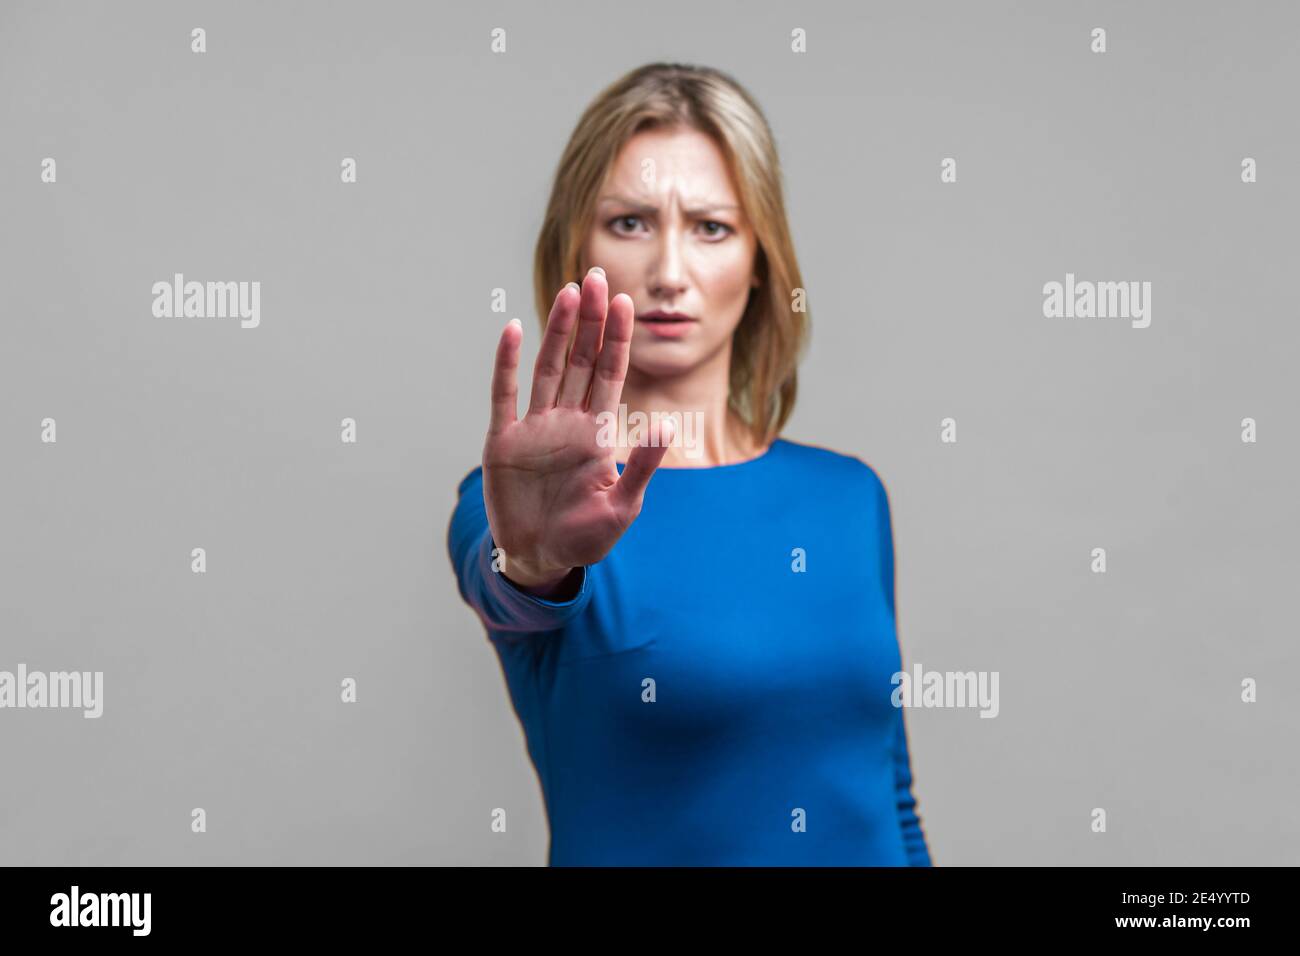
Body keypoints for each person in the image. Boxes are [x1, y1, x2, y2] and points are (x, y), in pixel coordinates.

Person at [447, 62, 931, 865]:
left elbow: (888, 796)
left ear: (760, 259)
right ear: (576, 247)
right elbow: (513, 587)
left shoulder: (849, 498)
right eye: (631, 222)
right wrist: (531, 560)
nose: (670, 272)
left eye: (712, 227)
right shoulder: (523, 511)